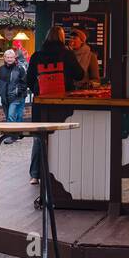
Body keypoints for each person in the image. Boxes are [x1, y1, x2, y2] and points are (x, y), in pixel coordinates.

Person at [27, 28, 86, 187]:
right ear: (61, 37)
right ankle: (61, 171)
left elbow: (28, 79)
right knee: (63, 137)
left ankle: (35, 175)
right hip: (63, 103)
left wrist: (40, 92)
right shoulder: (67, 55)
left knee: (39, 137)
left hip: (41, 103)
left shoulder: (37, 56)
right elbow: (79, 74)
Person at [0, 49, 27, 141]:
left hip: (15, 97)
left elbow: (24, 83)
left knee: (11, 116)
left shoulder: (19, 68)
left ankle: (11, 137)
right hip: (4, 97)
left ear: (14, 58)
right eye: (8, 57)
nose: (9, 59)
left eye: (11, 57)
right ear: (4, 58)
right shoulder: (1, 69)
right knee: (8, 117)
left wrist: (18, 91)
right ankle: (15, 134)